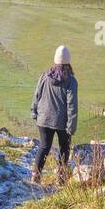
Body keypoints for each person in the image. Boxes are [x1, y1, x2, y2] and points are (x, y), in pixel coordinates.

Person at [30, 45, 78, 185]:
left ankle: (35, 177)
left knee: (44, 147)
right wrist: (71, 126)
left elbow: (37, 94)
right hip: (62, 122)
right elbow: (72, 105)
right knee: (64, 148)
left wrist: (34, 111)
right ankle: (61, 179)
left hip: (43, 119)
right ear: (68, 61)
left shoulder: (45, 75)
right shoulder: (71, 81)